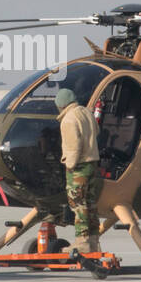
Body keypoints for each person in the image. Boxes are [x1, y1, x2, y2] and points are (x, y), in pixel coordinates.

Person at [56, 88, 100, 252]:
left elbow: (74, 146)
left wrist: (70, 165)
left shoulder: (68, 119)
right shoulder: (86, 113)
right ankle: (94, 241)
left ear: (61, 105)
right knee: (90, 203)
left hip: (79, 166)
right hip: (92, 164)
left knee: (78, 203)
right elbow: (97, 131)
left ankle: (82, 242)